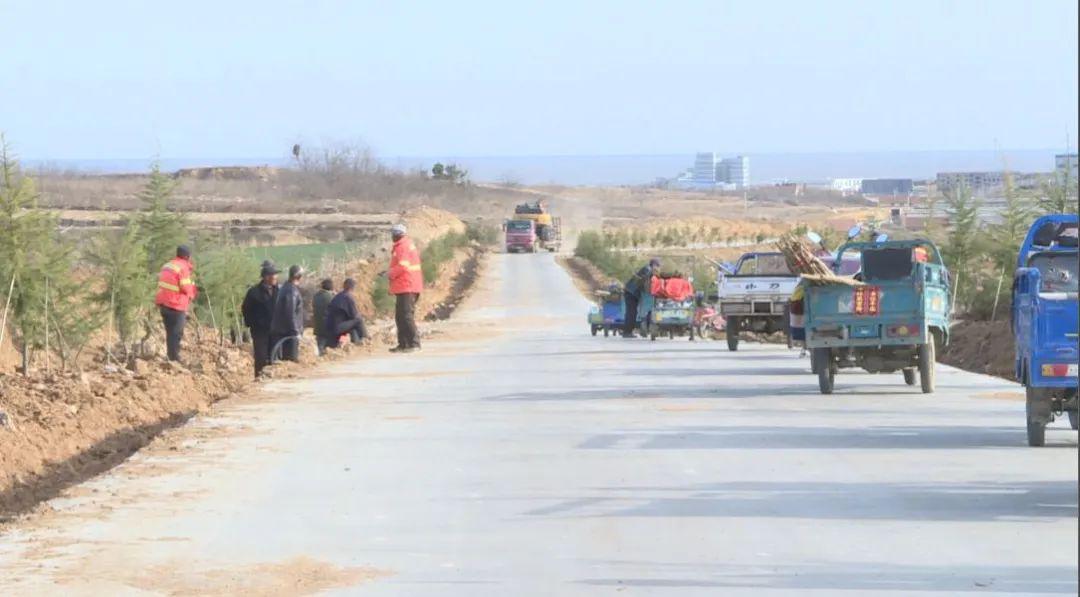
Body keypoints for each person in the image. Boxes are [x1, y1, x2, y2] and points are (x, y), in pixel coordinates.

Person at [154, 245, 198, 361]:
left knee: (170, 333)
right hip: (176, 304)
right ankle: (174, 358)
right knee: (176, 332)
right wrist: (193, 292)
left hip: (163, 303)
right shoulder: (183, 268)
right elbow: (186, 288)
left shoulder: (167, 265)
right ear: (187, 257)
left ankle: (171, 356)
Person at [388, 223, 423, 353]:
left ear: (396, 235)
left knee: (406, 316)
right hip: (406, 286)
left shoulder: (402, 247)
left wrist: (390, 274)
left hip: (407, 286)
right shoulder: (404, 245)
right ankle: (403, 344)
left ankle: (414, 343)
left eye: (393, 235)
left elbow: (403, 266)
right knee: (400, 316)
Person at [241, 263, 279, 377]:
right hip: (260, 331)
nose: (276, 277)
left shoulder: (279, 291)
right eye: (273, 275)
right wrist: (253, 324)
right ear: (266, 277)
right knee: (261, 356)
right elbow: (246, 309)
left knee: (274, 355)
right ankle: (259, 378)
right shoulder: (254, 292)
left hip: (276, 329)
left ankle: (274, 378)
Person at [270, 265, 304, 362]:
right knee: (290, 361)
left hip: (284, 333)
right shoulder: (292, 291)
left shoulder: (285, 288)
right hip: (288, 335)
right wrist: (295, 332)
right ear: (299, 276)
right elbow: (290, 314)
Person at [622, 258, 660, 338]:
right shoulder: (647, 269)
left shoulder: (647, 270)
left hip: (631, 292)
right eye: (657, 266)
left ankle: (628, 331)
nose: (657, 268)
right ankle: (627, 332)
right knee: (631, 312)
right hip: (631, 292)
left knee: (632, 312)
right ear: (653, 265)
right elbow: (646, 281)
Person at [324, 278, 367, 349]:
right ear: (353, 288)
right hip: (337, 327)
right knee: (358, 320)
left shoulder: (337, 296)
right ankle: (365, 338)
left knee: (353, 325)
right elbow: (354, 315)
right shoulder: (348, 297)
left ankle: (356, 343)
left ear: (344, 286)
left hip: (329, 326)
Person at [312, 278, 335, 356]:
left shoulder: (316, 296)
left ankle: (321, 353)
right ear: (331, 287)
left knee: (320, 345)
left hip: (317, 327)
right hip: (328, 328)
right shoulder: (331, 297)